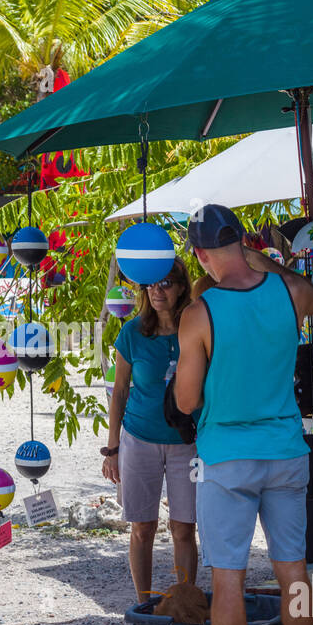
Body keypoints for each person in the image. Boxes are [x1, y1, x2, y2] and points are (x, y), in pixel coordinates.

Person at [174, 204, 313, 625]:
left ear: (200, 255)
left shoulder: (201, 312)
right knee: (293, 572)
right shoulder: (289, 293)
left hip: (227, 459)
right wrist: (267, 262)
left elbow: (187, 400)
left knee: (230, 578)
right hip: (286, 450)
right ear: (242, 243)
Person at [102, 258, 199, 602]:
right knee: (142, 527)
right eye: (152, 284)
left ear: (181, 287)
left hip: (186, 443)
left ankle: (185, 605)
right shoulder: (132, 332)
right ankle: (143, 606)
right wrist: (112, 449)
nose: (158, 291)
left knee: (184, 528)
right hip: (139, 439)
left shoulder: (197, 327)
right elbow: (120, 392)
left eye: (167, 284)